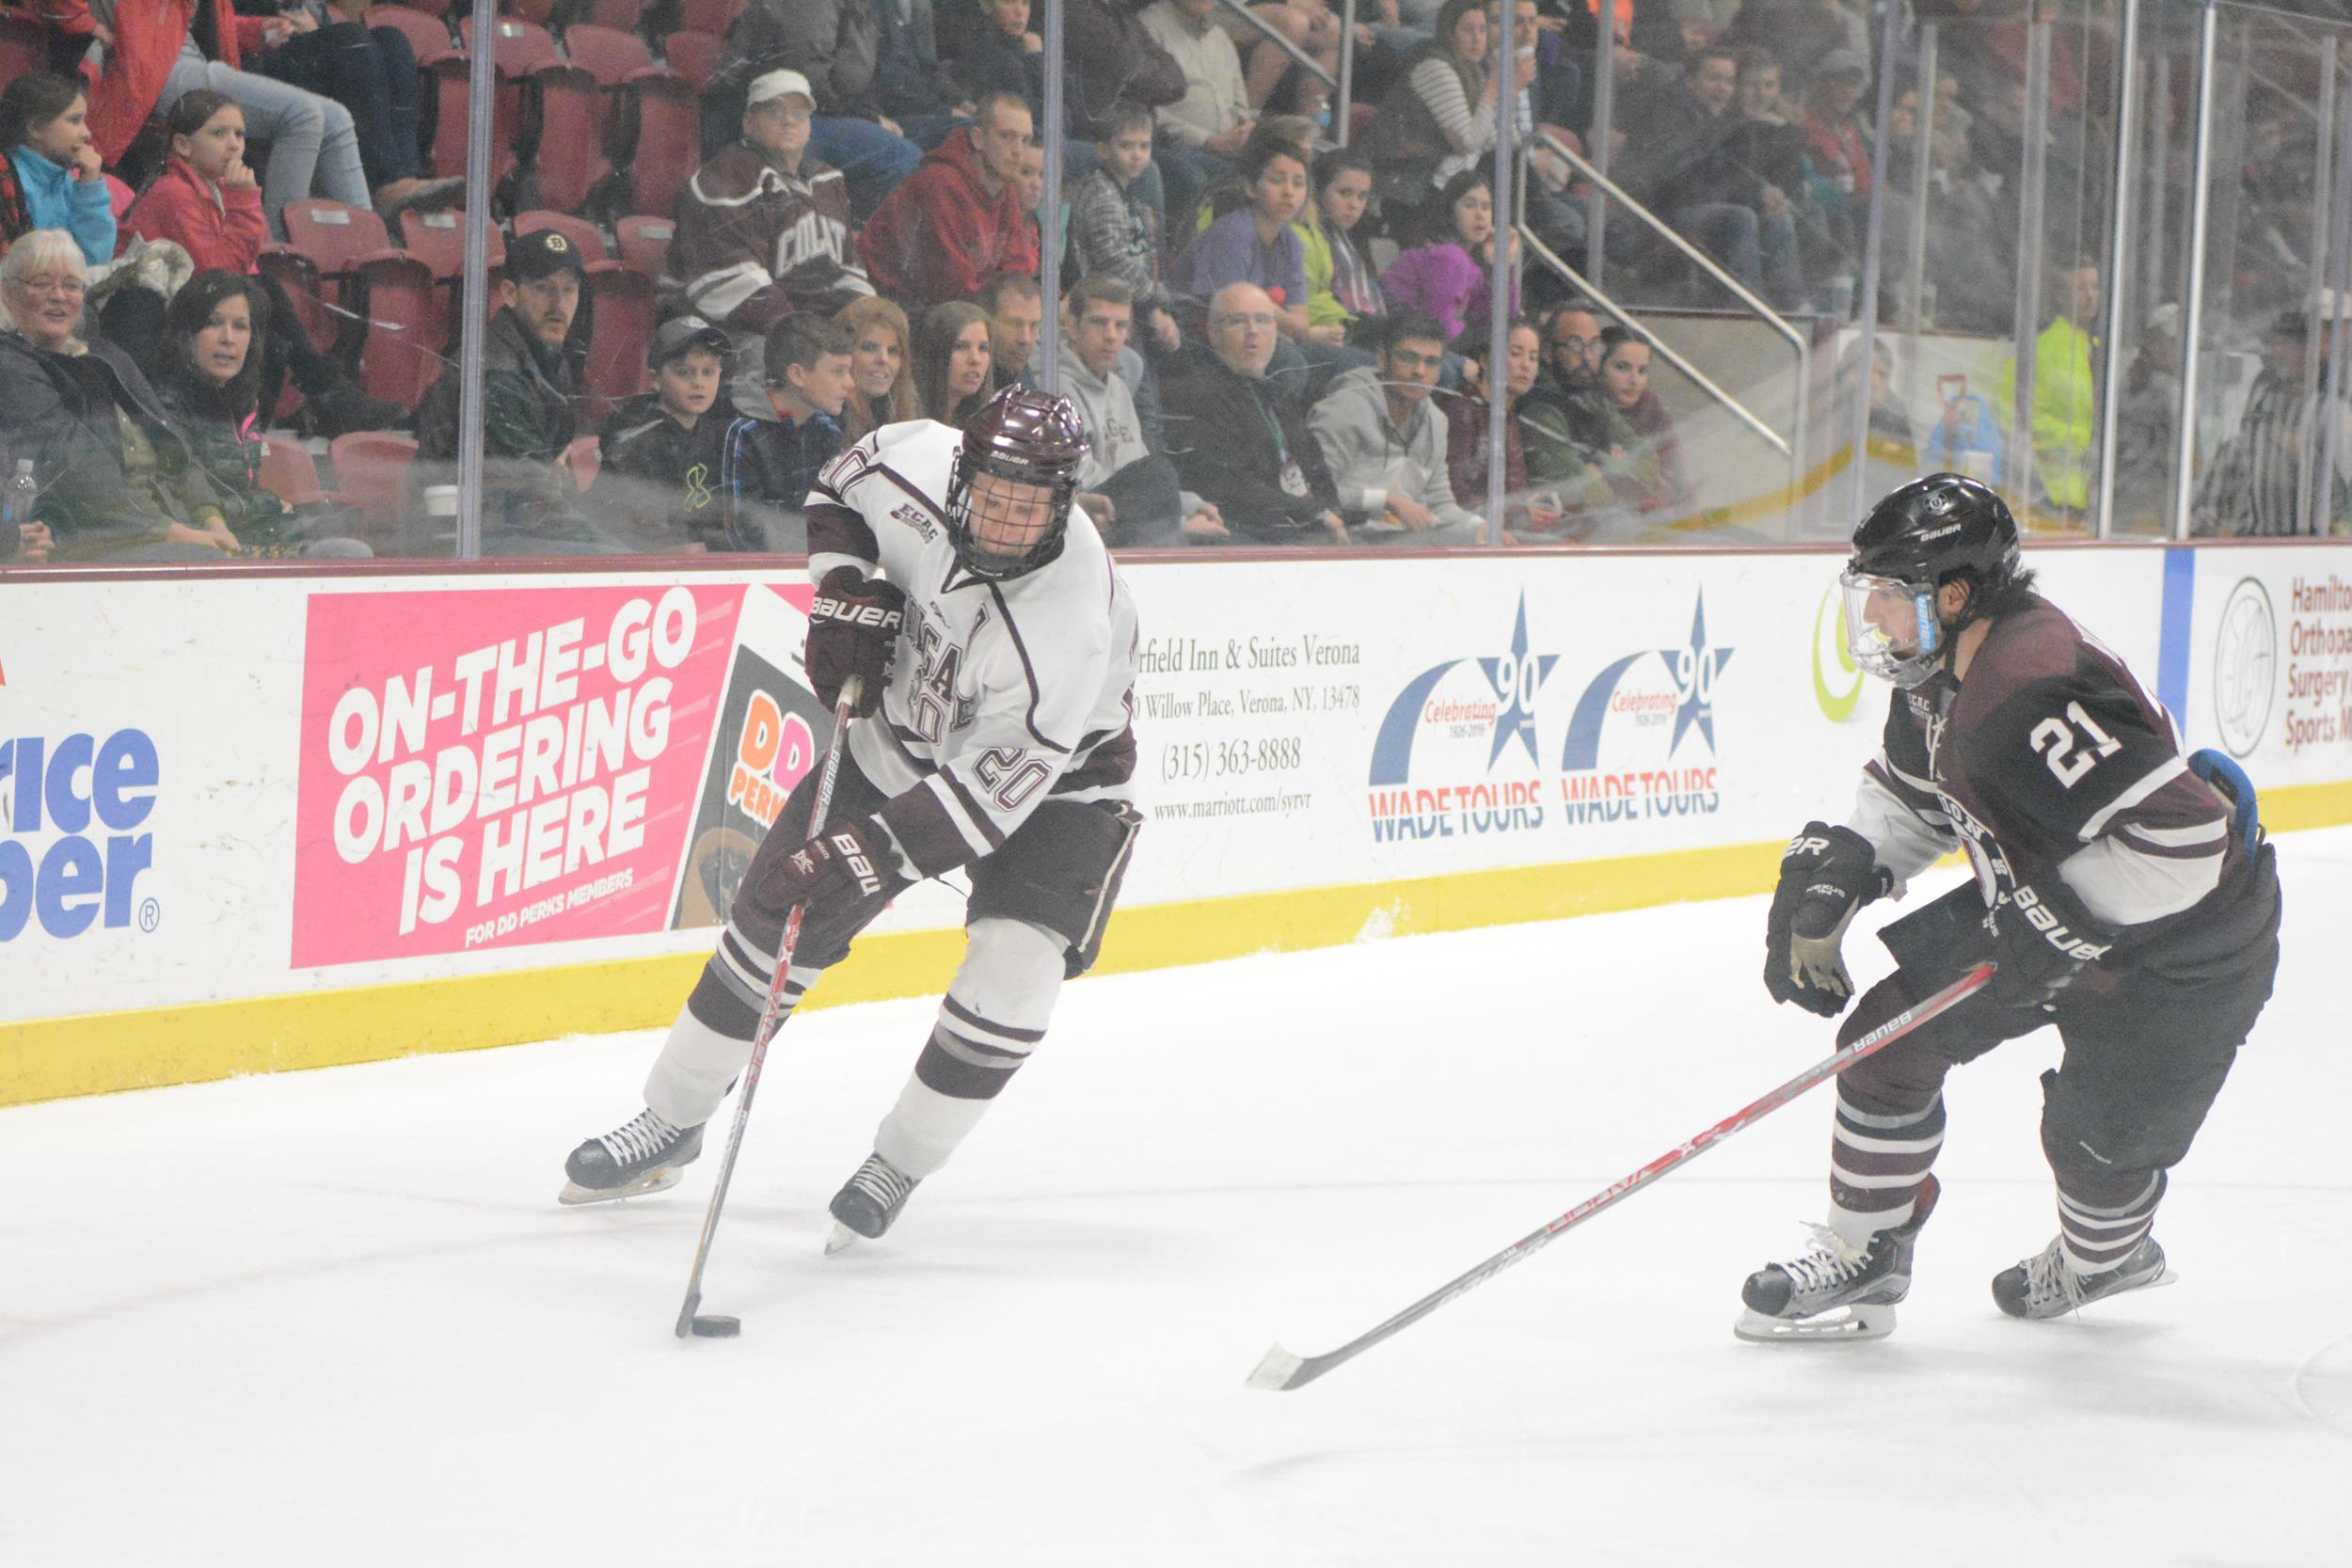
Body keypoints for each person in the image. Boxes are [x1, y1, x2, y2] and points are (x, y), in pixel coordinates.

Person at [560, 387, 1146, 1255]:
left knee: (1019, 963)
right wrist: (845, 588)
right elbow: (839, 486)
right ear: (965, 474)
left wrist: (863, 852)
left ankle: (899, 1161)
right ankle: (671, 1121)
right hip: (899, 737)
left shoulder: (1069, 625)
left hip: (1056, 787)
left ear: (1063, 502)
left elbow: (988, 797)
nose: (1010, 521)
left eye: (1033, 506)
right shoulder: (917, 457)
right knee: (770, 914)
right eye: (996, 496)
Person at [1740, 473, 2282, 1340]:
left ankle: (2108, 1258)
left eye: (1890, 594)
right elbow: (1919, 797)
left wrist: (2053, 919)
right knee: (1883, 1044)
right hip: (2045, 911)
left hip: (2184, 948)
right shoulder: (1935, 674)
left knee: (2094, 1150)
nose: (1874, 615)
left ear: (1954, 595)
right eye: (1869, 592)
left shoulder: (2032, 683)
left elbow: (2187, 842)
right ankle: (1866, 1252)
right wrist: (1856, 864)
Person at [118, 90, 405, 436]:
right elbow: (218, 271)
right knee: (262, 290)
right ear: (182, 145)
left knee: (264, 294)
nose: (234, 144)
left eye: (239, 134)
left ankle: (324, 396)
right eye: (218, 133)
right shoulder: (173, 193)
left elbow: (242, 267)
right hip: (157, 319)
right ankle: (328, 395)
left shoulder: (214, 190)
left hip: (196, 306)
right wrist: (244, 202)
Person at [0, 230, 243, 560]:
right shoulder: (10, 367)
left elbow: (174, 447)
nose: (59, 296)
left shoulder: (109, 355)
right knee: (210, 563)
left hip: (171, 529)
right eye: (42, 284)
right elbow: (79, 470)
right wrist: (182, 535)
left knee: (327, 548)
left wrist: (212, 520)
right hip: (93, 540)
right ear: (9, 294)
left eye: (71, 286)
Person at [68, 0, 379, 233]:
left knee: (337, 118)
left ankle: (368, 241)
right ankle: (277, 251)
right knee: (302, 114)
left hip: (197, 66)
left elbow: (197, 29)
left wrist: (259, 31)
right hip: (157, 77)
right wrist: (89, 27)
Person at [414, 230, 611, 553]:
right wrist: (622, 561)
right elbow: (539, 501)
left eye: (569, 290)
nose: (558, 305)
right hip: (460, 542)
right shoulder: (498, 374)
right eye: (542, 289)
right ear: (510, 293)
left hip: (507, 527)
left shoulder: (544, 356)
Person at [151, 267, 371, 556]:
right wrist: (268, 504)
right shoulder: (164, 404)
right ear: (187, 335)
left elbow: (240, 492)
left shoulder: (244, 401)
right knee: (347, 553)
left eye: (240, 326)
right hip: (213, 548)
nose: (228, 338)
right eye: (214, 323)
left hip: (253, 530)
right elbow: (185, 498)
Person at [668, 69, 875, 344]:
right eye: (775, 112)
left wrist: (868, 320)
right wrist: (810, 338)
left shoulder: (828, 180)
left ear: (809, 126)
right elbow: (737, 291)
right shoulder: (723, 180)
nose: (789, 120)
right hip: (743, 330)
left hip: (814, 331)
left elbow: (849, 271)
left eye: (799, 113)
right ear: (749, 122)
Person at [1160, 281, 1348, 543]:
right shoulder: (1195, 395)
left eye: (1263, 320)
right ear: (1214, 333)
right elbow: (1230, 488)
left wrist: (1331, 513)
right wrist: (1314, 514)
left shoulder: (1278, 393)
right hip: (1247, 538)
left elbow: (1317, 471)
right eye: (1238, 321)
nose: (1253, 331)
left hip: (1301, 529)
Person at [704, 0, 920, 220]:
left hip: (818, 113)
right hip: (768, 121)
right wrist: (869, 118)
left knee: (936, 138)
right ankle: (848, 241)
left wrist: (873, 115)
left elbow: (857, 81)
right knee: (900, 157)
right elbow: (809, 85)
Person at [1056, 275, 1213, 546]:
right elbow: (1080, 478)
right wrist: (1180, 521)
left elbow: (1136, 464)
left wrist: (1190, 506)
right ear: (1072, 326)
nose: (1111, 336)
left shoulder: (1117, 387)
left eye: (1120, 326)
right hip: (1088, 513)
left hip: (1127, 513)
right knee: (1160, 473)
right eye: (1100, 323)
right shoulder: (1056, 386)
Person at [1310, 309, 1486, 544]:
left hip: (1401, 545)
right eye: (1409, 357)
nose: (1419, 371)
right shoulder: (1345, 409)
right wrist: (1387, 500)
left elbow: (1440, 502)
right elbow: (1315, 495)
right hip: (1345, 543)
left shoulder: (1436, 421)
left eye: (1431, 362)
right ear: (1383, 360)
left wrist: (1478, 526)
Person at [858, 92, 1041, 313]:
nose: (1018, 151)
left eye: (1025, 140)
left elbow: (1016, 268)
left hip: (951, 308)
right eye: (1006, 137)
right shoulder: (940, 184)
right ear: (978, 138)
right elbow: (950, 286)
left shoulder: (1006, 188)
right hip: (890, 305)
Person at [2192, 305, 2346, 537]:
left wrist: (2301, 453)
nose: (2278, 351)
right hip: (2252, 537)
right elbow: (2235, 455)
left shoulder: (2329, 406)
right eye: (2276, 343)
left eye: (2287, 344)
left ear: (2308, 349)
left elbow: (2338, 498)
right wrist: (2204, 514)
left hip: (2300, 544)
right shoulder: (2263, 393)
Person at [586, 317, 735, 551]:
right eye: (684, 372)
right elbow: (648, 537)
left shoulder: (716, 430)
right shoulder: (636, 441)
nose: (698, 383)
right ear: (655, 380)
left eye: (708, 372)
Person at [1360, 0, 1503, 233]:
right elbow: (1467, 142)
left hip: (1439, 178)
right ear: (1449, 32)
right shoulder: (1434, 66)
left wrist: (1510, 94)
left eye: (1482, 30)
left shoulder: (1474, 71)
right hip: (1407, 180)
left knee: (1507, 173)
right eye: (1468, 30)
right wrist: (1492, 90)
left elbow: (1492, 141)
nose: (1477, 39)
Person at [717, 312, 854, 552]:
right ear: (797, 375)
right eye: (838, 371)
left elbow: (840, 515)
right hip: (765, 577)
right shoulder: (743, 434)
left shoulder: (827, 431)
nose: (850, 383)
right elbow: (742, 531)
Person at [1438, 315, 1570, 541]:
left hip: (1511, 525)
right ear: (1485, 360)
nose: (1526, 365)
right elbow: (1456, 495)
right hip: (1477, 531)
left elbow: (1515, 489)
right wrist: (1520, 513)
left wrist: (1535, 504)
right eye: (1516, 354)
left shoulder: (1507, 415)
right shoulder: (1463, 412)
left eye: (1533, 357)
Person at [1168, 135, 1311, 342]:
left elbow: (1300, 323)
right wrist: (1303, 331)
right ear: (1251, 188)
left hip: (1251, 336)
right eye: (1277, 181)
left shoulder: (1291, 241)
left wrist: (1301, 329)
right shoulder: (1233, 233)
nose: (1289, 192)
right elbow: (1236, 309)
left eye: (1298, 183)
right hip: (1193, 334)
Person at [1067, 102, 1183, 355]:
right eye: (1126, 146)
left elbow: (1146, 256)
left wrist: (1156, 306)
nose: (1137, 155)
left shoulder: (1132, 197)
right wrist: (1154, 300)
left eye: (1144, 146)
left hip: (1134, 301)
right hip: (1104, 304)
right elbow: (1113, 261)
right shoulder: (1101, 193)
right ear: (1104, 150)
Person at [1138, 0, 1256, 235]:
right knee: (1201, 179)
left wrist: (1245, 129)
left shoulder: (1220, 36)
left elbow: (1241, 106)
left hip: (1230, 149)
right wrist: (1208, 141)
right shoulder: (1148, 26)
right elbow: (1146, 108)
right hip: (1175, 146)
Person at [1998, 255, 2100, 518]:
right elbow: (2011, 416)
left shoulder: (2098, 349)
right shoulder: (2040, 350)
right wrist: (2080, 446)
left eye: (2095, 287)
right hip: (2052, 497)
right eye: (2080, 288)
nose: (2090, 296)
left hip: (2093, 498)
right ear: (2060, 296)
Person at [1378, 168, 1518, 345]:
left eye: (1486, 207)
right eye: (1469, 205)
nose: (1480, 215)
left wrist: (1502, 266)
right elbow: (1439, 328)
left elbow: (1499, 321)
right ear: (1451, 212)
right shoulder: (1448, 257)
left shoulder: (1470, 262)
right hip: (1402, 340)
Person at [0, 74, 116, 266]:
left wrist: (90, 188)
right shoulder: (9, 184)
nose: (87, 133)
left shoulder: (66, 180)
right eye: (74, 120)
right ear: (36, 127)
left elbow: (94, 261)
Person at [1596, 324, 1693, 515]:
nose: (1634, 380)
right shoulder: (1586, 410)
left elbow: (1678, 476)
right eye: (1622, 367)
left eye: (1642, 371)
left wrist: (1671, 500)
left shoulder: (1652, 408)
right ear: (1598, 366)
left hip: (1661, 516)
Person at [1299, 148, 1386, 351]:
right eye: (1344, 193)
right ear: (1318, 190)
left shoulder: (1351, 239)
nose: (1354, 205)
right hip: (1339, 337)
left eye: (1362, 196)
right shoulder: (1310, 236)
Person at [834, 294, 921, 443]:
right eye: (869, 348)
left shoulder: (904, 416)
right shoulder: (828, 423)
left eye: (893, 351)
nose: (883, 359)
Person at [949, 0, 1046, 122]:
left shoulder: (1028, 45)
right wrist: (1036, 59)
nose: (1020, 11)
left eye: (1025, 3)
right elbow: (1031, 115)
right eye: (1009, 2)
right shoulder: (986, 52)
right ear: (987, 6)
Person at [911, 299, 997, 424]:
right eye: (961, 347)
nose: (975, 359)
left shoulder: (986, 417)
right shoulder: (906, 409)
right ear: (935, 351)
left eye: (983, 348)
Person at [979, 272, 1043, 390]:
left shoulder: (1023, 377)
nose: (1026, 339)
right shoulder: (965, 385)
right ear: (986, 322)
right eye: (1014, 324)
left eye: (1034, 325)